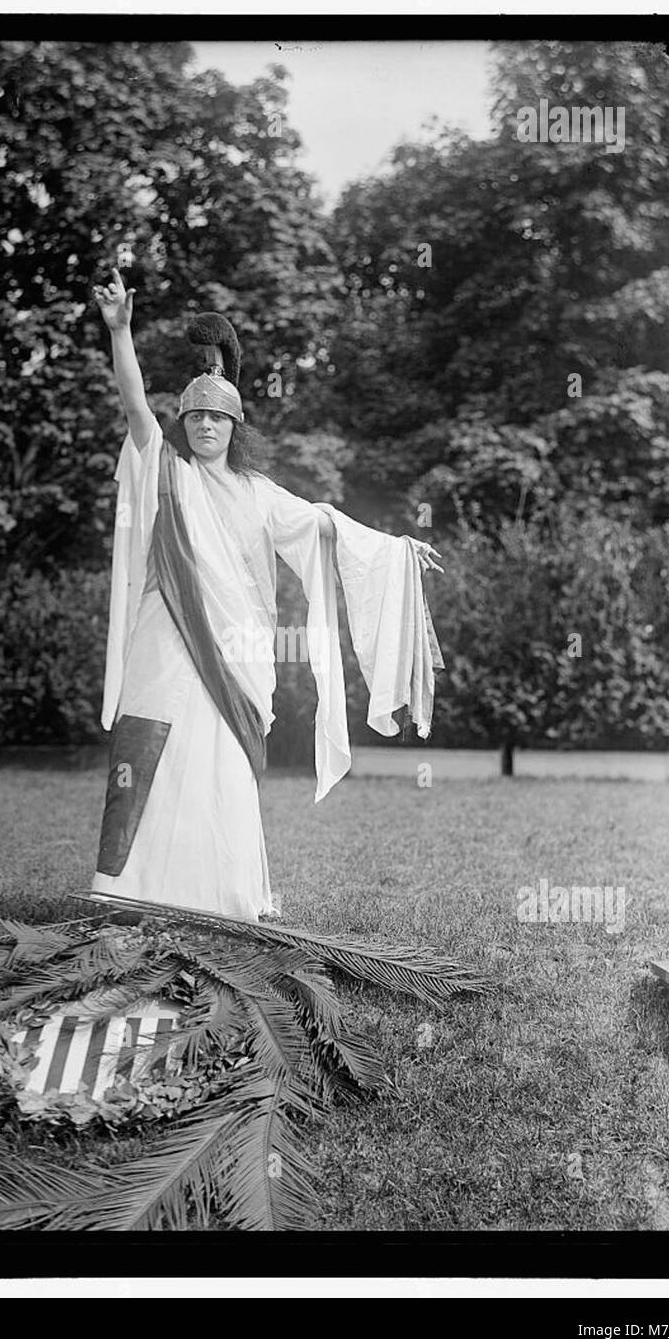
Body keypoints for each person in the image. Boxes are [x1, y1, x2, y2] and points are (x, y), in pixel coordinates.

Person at [89, 272, 444, 923]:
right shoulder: (166, 470)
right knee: (151, 750)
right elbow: (136, 406)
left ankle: (217, 894)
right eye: (194, 416)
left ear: (234, 426)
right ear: (184, 422)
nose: (204, 426)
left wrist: (399, 550)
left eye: (217, 418)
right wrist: (119, 331)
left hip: (237, 658)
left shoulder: (258, 492)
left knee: (218, 766)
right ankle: (128, 891)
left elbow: (325, 525)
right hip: (165, 641)